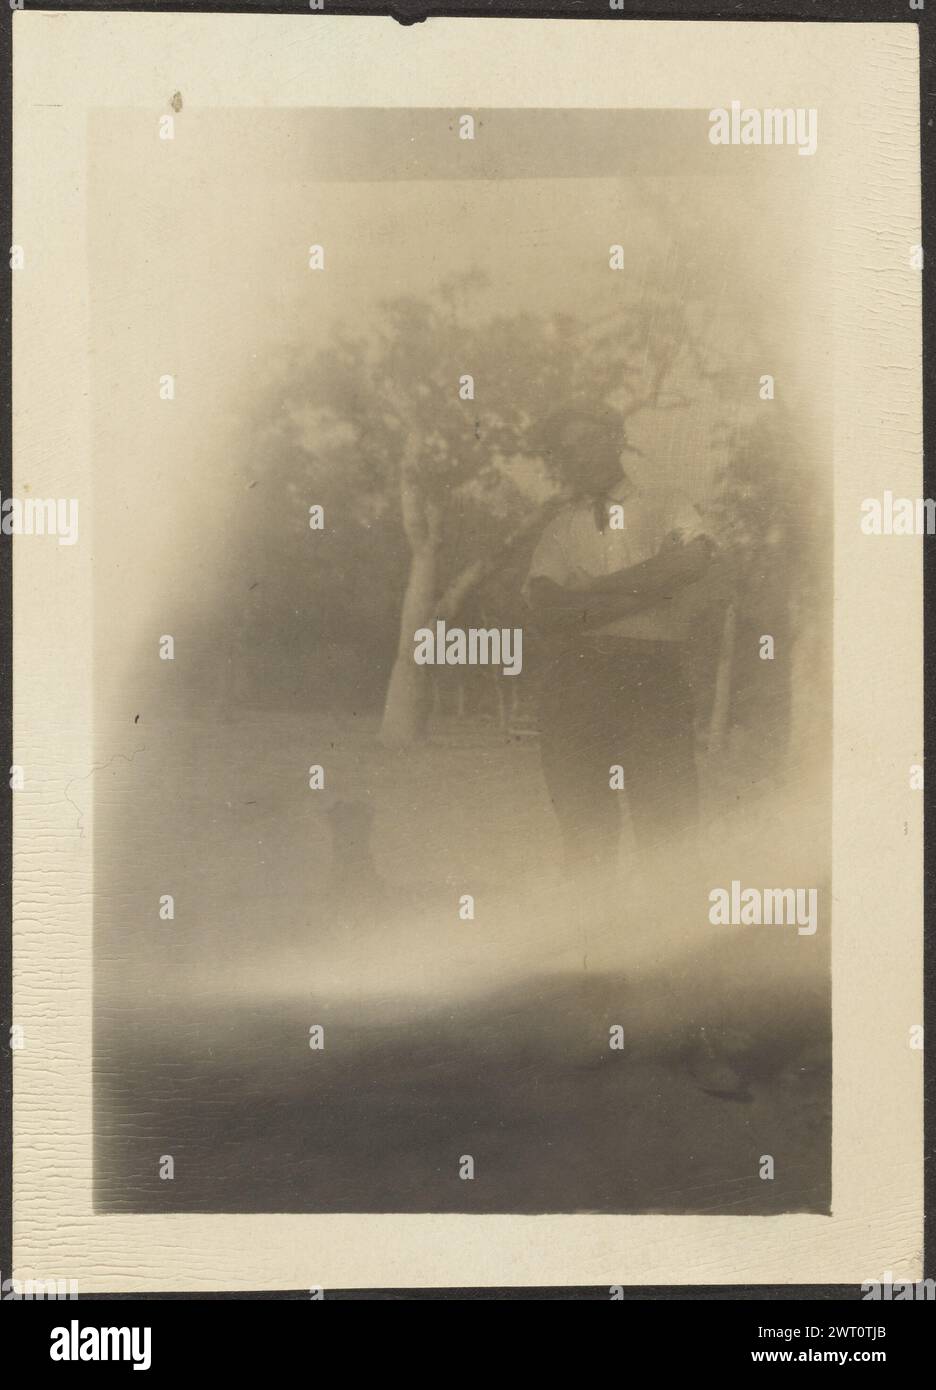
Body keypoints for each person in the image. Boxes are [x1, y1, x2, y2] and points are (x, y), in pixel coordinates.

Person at [525, 407, 714, 877]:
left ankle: (669, 941)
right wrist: (653, 587)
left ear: (615, 438)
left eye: (587, 440)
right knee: (583, 824)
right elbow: (548, 611)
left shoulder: (668, 503)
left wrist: (587, 592)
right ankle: (592, 941)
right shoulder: (561, 526)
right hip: (576, 680)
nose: (576, 456)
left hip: (650, 677)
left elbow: (692, 564)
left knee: (667, 822)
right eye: (567, 450)